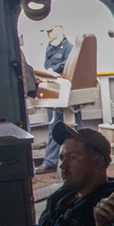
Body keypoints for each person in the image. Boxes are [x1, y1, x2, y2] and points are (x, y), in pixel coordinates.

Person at [34, 25, 75, 174]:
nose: (50, 35)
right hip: (55, 89)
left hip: (65, 90)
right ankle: (52, 161)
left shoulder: (69, 48)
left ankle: (51, 162)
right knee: (58, 127)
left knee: (69, 129)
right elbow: (47, 65)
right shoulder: (50, 48)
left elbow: (68, 66)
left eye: (52, 31)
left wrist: (55, 69)